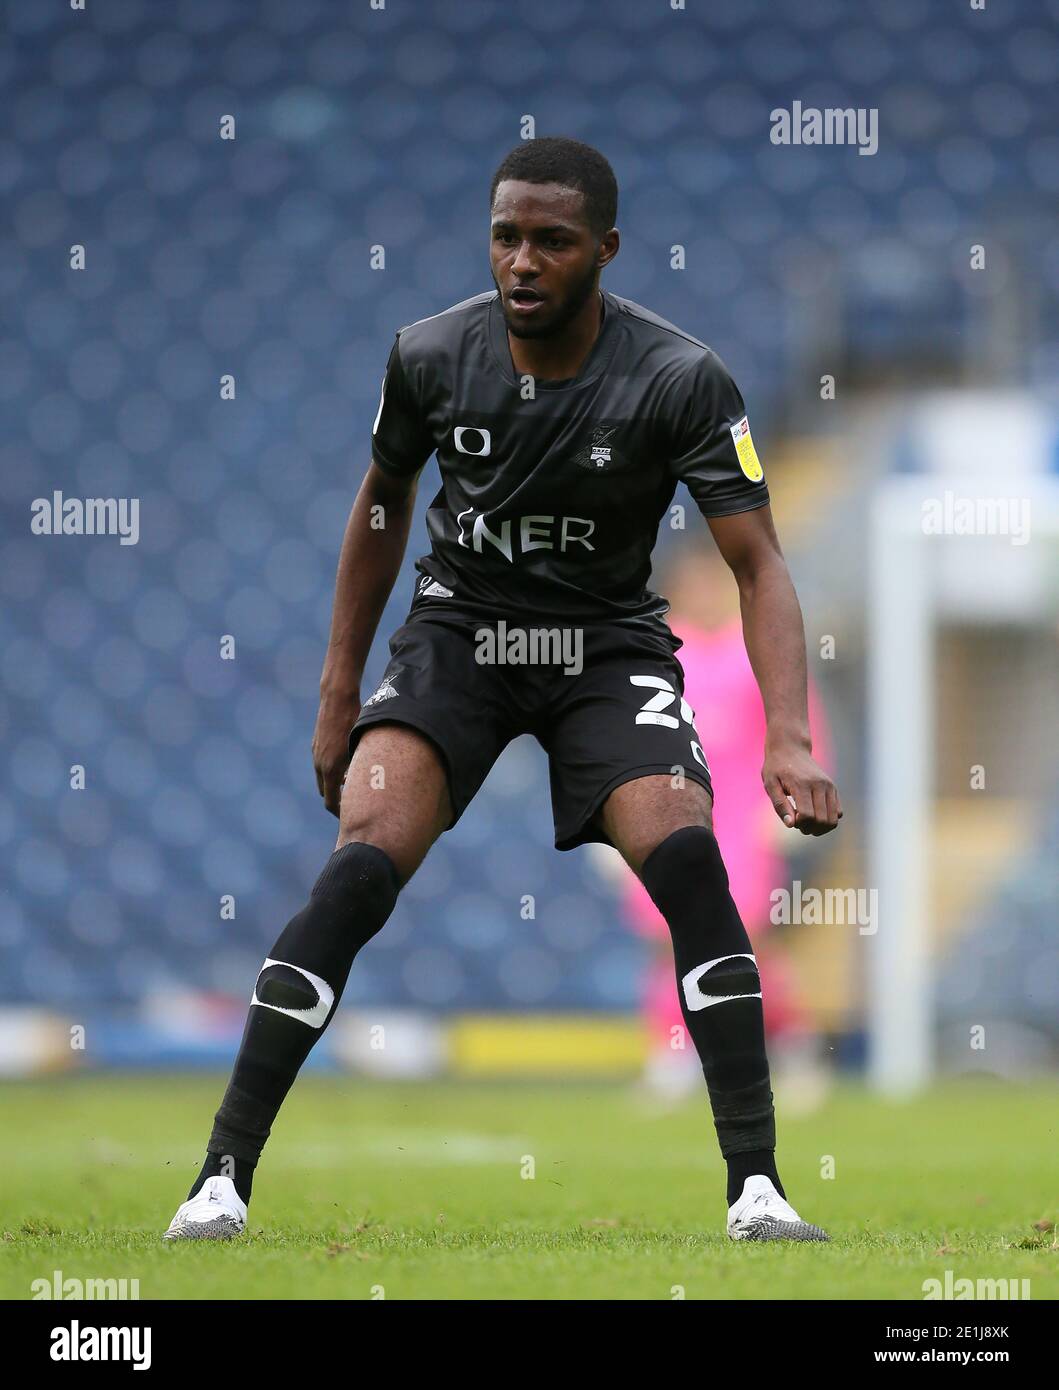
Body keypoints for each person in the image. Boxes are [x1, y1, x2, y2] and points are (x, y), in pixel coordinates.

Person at [165, 136, 841, 1245]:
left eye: (551, 241)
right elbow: (381, 506)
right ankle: (220, 1179)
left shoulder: (679, 379)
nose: (521, 261)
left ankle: (757, 1189)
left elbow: (758, 563)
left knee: (687, 857)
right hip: (462, 639)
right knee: (360, 866)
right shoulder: (430, 356)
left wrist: (793, 736)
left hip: (606, 648)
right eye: (505, 236)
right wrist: (340, 690)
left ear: (605, 250)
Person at [617, 540, 834, 1102]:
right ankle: (672, 1053)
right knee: (668, 934)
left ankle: (791, 1047)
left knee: (752, 938)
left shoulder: (756, 648)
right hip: (674, 806)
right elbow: (626, 731)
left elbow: (800, 727)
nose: (705, 593)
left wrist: (786, 807)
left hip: (743, 814)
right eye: (695, 584)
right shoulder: (660, 652)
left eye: (715, 582)